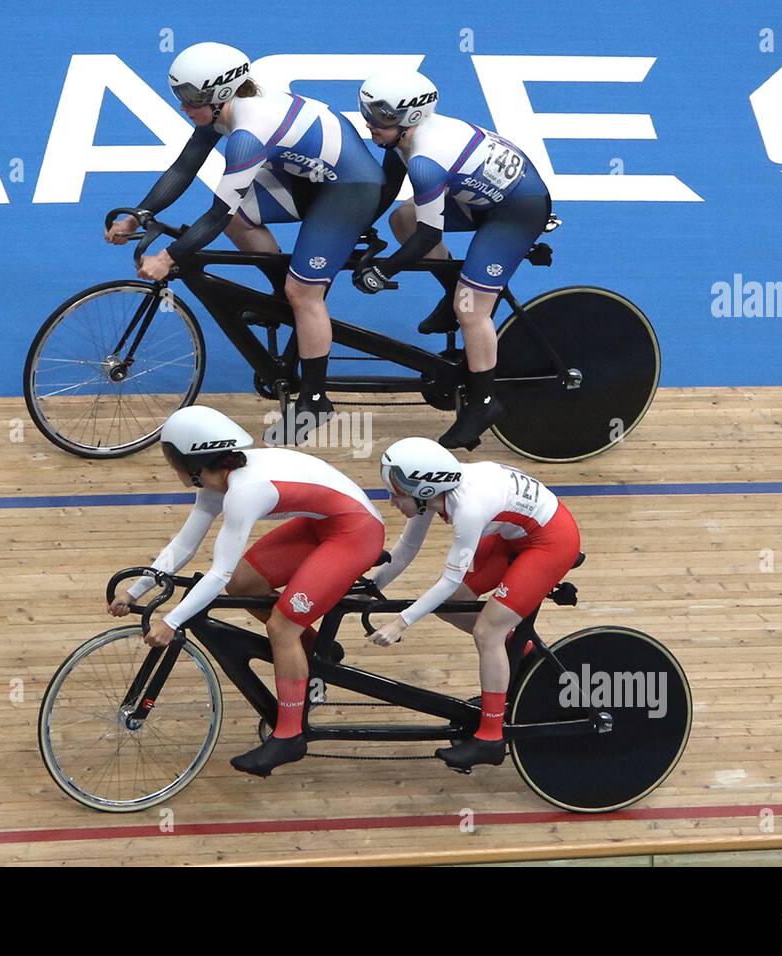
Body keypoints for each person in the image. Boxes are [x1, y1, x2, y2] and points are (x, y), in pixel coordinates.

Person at [104, 42, 384, 442]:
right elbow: (184, 167)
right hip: (308, 176)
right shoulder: (221, 110)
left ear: (220, 95)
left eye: (191, 98)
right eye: (179, 95)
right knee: (242, 220)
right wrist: (138, 214)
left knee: (304, 293)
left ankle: (315, 400)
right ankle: (282, 303)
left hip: (349, 189)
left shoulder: (248, 133)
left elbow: (215, 213)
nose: (184, 106)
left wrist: (167, 257)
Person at [108, 405, 386, 776]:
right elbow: (184, 546)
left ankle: (289, 735)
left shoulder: (243, 492)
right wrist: (135, 590)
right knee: (245, 583)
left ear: (193, 462)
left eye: (171, 457)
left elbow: (217, 573)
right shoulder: (217, 480)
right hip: (322, 523)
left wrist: (172, 621)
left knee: (282, 627)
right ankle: (317, 649)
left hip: (355, 532)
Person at [350, 69, 552, 450]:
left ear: (409, 118)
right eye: (368, 112)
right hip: (480, 196)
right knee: (402, 218)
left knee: (471, 309)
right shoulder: (403, 139)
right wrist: (354, 230)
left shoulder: (426, 158)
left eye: (382, 117)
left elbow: (430, 236)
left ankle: (484, 403)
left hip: (515, 212)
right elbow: (389, 190)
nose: (371, 124)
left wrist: (384, 269)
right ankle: (451, 292)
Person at [366, 437, 580, 771]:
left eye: (397, 493)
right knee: (451, 603)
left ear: (424, 490)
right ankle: (521, 653)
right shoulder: (435, 498)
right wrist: (370, 585)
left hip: (549, 541)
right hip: (513, 533)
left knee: (487, 632)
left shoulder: (467, 509)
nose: (390, 500)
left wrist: (400, 622)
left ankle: (491, 737)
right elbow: (406, 549)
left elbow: (451, 577)